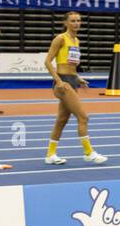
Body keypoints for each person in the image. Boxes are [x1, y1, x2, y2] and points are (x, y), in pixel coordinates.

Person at [44, 12, 107, 165]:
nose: (76, 23)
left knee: (61, 120)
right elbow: (47, 61)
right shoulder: (60, 38)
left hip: (72, 80)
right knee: (83, 117)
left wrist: (78, 78)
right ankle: (88, 153)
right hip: (62, 82)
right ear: (65, 22)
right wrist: (58, 81)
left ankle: (50, 154)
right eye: (72, 21)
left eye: (78, 21)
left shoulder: (76, 40)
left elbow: (71, 66)